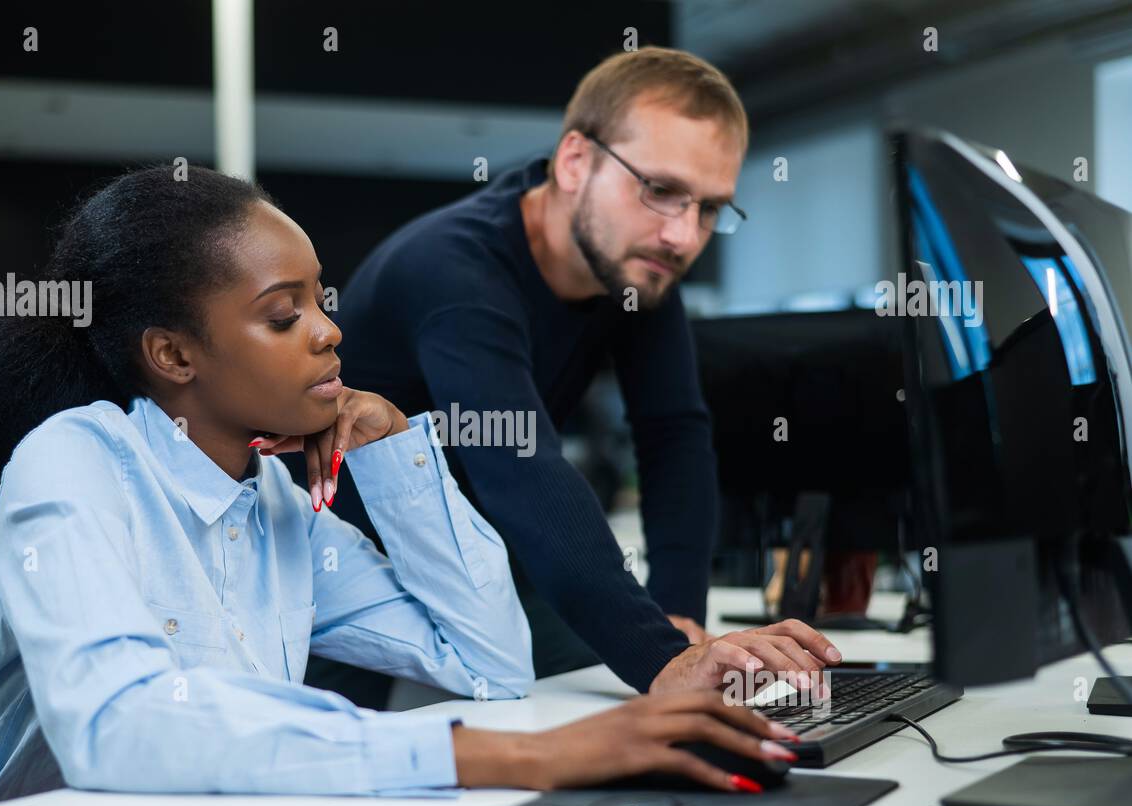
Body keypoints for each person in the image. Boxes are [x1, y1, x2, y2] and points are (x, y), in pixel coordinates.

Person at [0, 165, 800, 806]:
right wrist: (518, 758)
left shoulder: (270, 499)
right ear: (173, 354)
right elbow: (119, 725)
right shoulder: (73, 462)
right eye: (285, 314)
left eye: (320, 300)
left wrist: (392, 452)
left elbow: (489, 661)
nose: (329, 329)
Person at [312, 46, 843, 708]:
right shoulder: (454, 269)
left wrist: (679, 623)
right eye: (660, 189)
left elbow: (674, 435)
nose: (682, 236)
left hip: (491, 557)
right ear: (574, 162)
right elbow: (522, 469)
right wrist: (661, 659)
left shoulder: (638, 266)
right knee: (327, 770)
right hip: (344, 563)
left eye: (709, 209)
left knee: (586, 702)